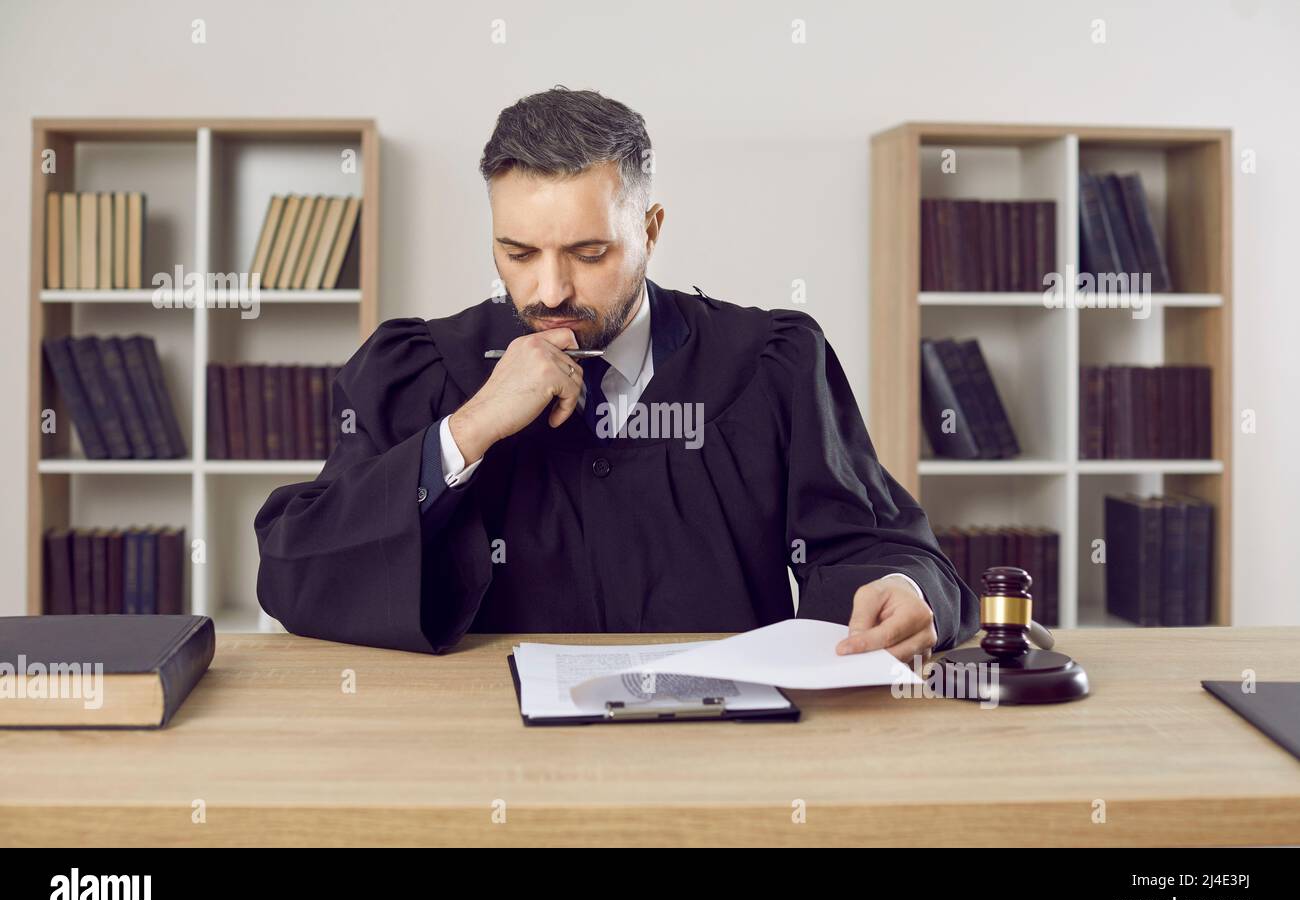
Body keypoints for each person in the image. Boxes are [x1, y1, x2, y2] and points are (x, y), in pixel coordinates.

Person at [255, 86, 979, 660]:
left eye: (589, 253)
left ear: (651, 230)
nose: (548, 292)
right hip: (489, 759)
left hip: (725, 760)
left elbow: (876, 542)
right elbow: (300, 568)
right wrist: (467, 431)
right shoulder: (421, 372)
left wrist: (904, 589)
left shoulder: (771, 364)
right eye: (518, 252)